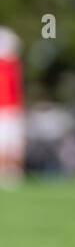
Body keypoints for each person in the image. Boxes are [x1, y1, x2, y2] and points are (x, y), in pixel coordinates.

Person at [0, 27, 24, 186]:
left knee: (14, 144)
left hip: (14, 109)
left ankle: (13, 173)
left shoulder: (14, 64)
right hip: (3, 110)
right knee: (4, 143)